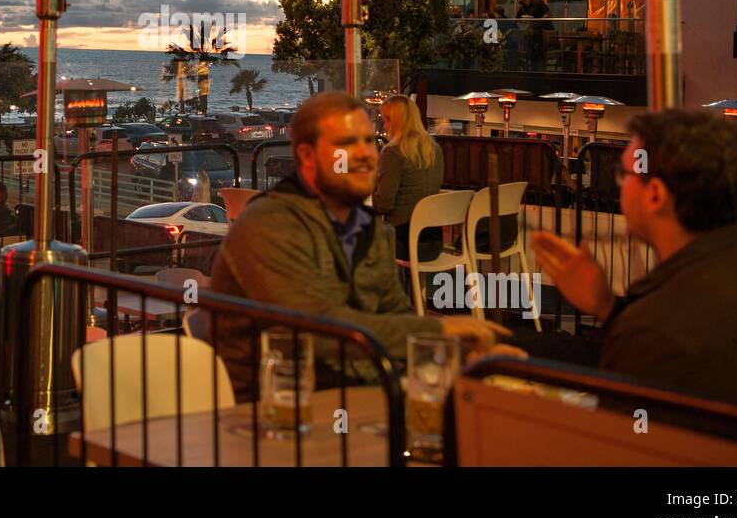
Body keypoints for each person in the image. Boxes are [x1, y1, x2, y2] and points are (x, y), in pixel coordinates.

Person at [532, 109, 737, 430]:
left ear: (654, 195)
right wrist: (607, 308)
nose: (621, 186)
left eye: (623, 176)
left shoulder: (658, 327)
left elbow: (626, 442)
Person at [210, 91, 511, 395]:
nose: (366, 154)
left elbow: (395, 315)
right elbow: (318, 330)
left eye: (368, 141)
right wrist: (441, 330)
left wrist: (466, 356)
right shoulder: (270, 224)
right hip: (277, 406)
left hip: (360, 389)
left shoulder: (369, 229)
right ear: (307, 156)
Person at [372, 95, 444, 263]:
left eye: (385, 120)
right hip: (434, 242)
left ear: (395, 121)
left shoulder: (394, 152)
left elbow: (384, 204)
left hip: (404, 242)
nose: (384, 126)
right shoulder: (433, 148)